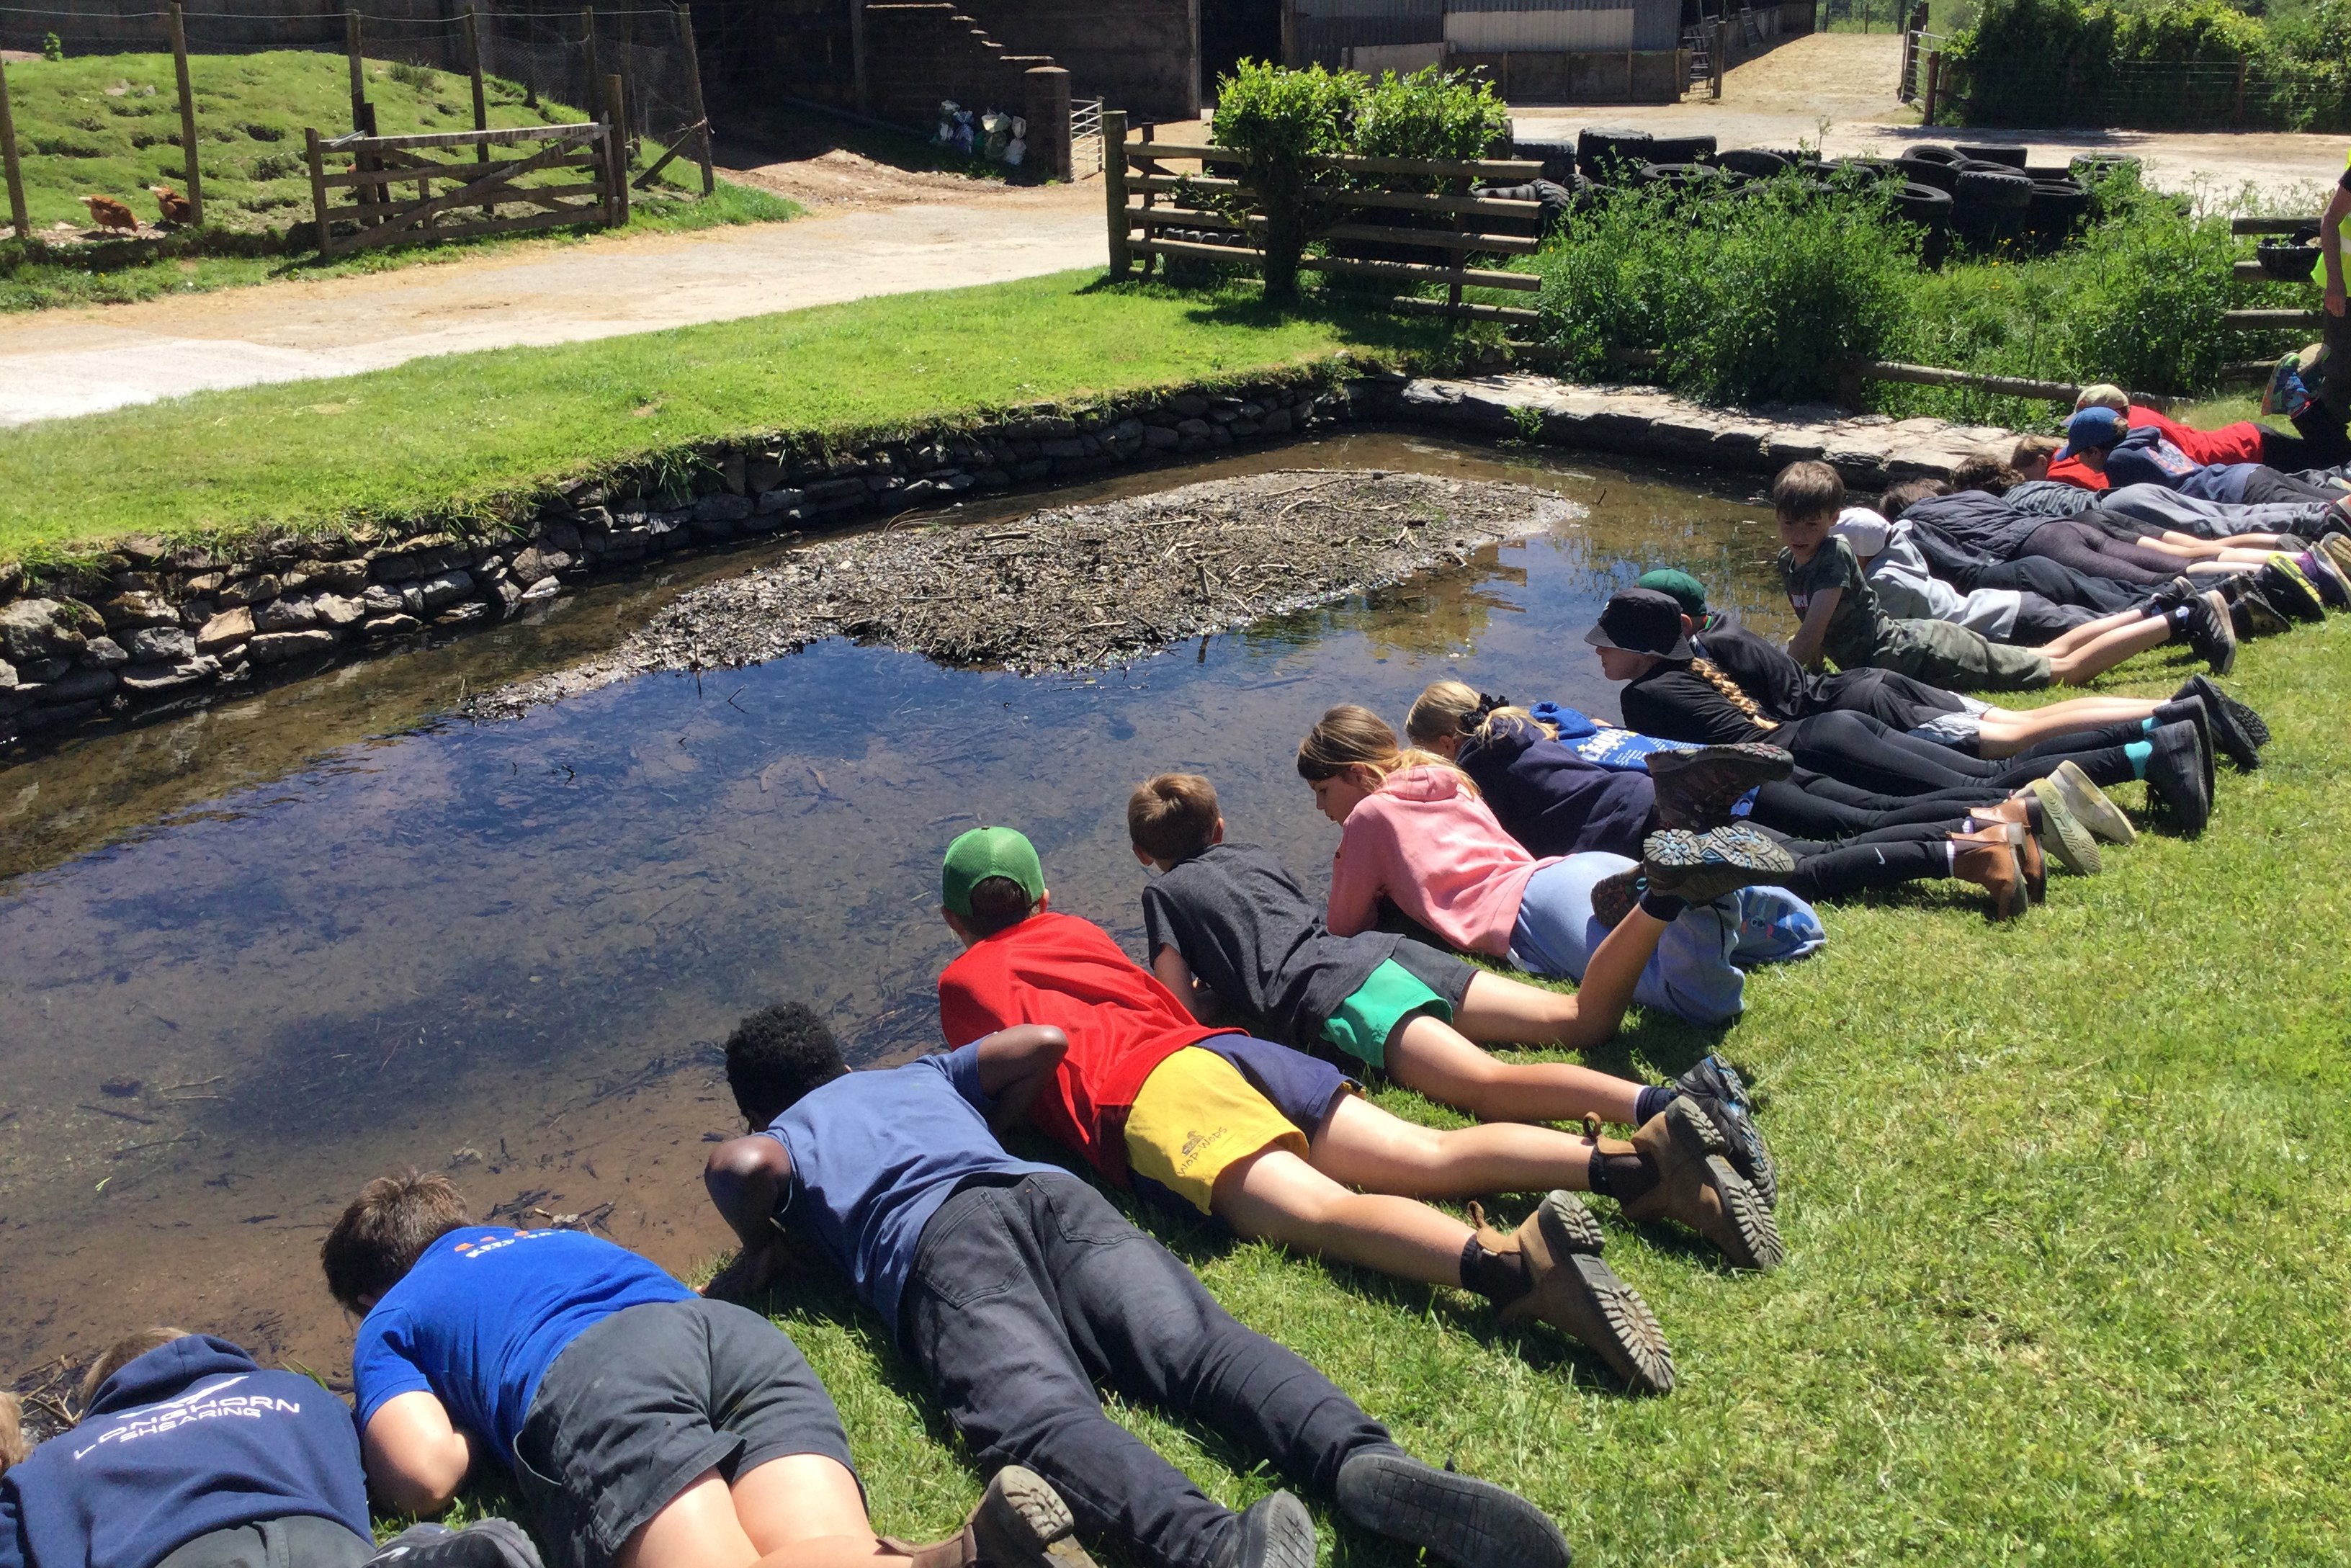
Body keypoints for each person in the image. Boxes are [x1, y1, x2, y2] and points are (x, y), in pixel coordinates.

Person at [702, 1003, 1581, 1568]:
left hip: (938, 1248)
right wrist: (985, 1121)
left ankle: (1220, 1548)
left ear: (757, 1103)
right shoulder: (916, 1073)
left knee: (1041, 1415)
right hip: (1044, 1193)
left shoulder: (781, 1131)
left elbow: (743, 1165)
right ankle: (1364, 1460)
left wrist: (767, 1244)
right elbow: (1042, 1042)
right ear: (844, 1057)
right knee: (1201, 1348)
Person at [931, 825, 1785, 1394]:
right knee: (1430, 1150)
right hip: (1229, 1049)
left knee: (1323, 1212)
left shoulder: (961, 981)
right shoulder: (1076, 927)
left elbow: (1013, 1068)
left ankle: (1517, 1268)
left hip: (1154, 1092)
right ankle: (1636, 1163)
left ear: (952, 918)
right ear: (1044, 896)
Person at [320, 1172, 1083, 1568]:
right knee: (815, 1539)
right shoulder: (555, 1239)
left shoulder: (394, 1312)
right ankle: (963, 1557)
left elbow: (423, 1474)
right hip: (731, 1340)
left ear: (364, 1291)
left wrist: (461, 1409)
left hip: (602, 1377)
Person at [1126, 769, 1783, 1182]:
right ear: (1220, 826)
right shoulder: (1250, 853)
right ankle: (1661, 899)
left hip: (1336, 993)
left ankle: (1675, 1106)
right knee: (1578, 1019)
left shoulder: (1164, 897)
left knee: (1490, 1086)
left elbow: (1176, 1005)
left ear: (1141, 854)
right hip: (1390, 956)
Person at [1294, 707, 1822, 1028]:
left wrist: (1354, 867)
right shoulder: (1447, 777)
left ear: (1359, 773)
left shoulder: (1367, 815)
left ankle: (1701, 900)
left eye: (1323, 791)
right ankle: (1744, 896)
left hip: (1528, 916)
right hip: (1570, 872)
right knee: (1803, 936)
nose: (1322, 808)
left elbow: (1342, 925)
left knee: (1692, 999)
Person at [1594, 587, 2216, 836]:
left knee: (1988, 780)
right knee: (1994, 772)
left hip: (1818, 747)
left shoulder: (1642, 697)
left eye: (1608, 646)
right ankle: (2147, 738)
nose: (1599, 656)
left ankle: (2149, 749)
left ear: (1641, 650)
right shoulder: (1696, 659)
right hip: (1839, 725)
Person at [1403, 692, 2041, 919]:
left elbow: (1503, 852)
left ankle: (1968, 855)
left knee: (1804, 869)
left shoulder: (1478, 773)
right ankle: (1979, 830)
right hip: (1657, 799)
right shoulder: (1527, 728)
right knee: (1820, 848)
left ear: (1442, 741)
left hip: (1644, 828)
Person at [0, 1328, 537, 1568]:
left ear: (103, 1402)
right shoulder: (294, 1391)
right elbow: (375, 1464)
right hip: (320, 1537)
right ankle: (406, 1554)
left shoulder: (62, 1457)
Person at [1773, 461, 2221, 691]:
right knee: (2058, 649)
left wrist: (1779, 676)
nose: (1798, 534)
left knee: (2061, 670)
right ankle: (2159, 607)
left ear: (1832, 519)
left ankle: (2182, 618)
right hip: (1937, 633)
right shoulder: (1791, 563)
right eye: (1789, 523)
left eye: (1811, 524)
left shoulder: (1833, 557)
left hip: (1925, 653)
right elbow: (1815, 646)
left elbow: (1812, 636)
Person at [1833, 497, 2099, 645]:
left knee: (2098, 630)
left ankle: (2142, 622)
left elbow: (1880, 637)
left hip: (2004, 623)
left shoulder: (1885, 581)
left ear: (1859, 551)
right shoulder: (1899, 551)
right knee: (2102, 620)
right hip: (2010, 606)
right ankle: (2141, 618)